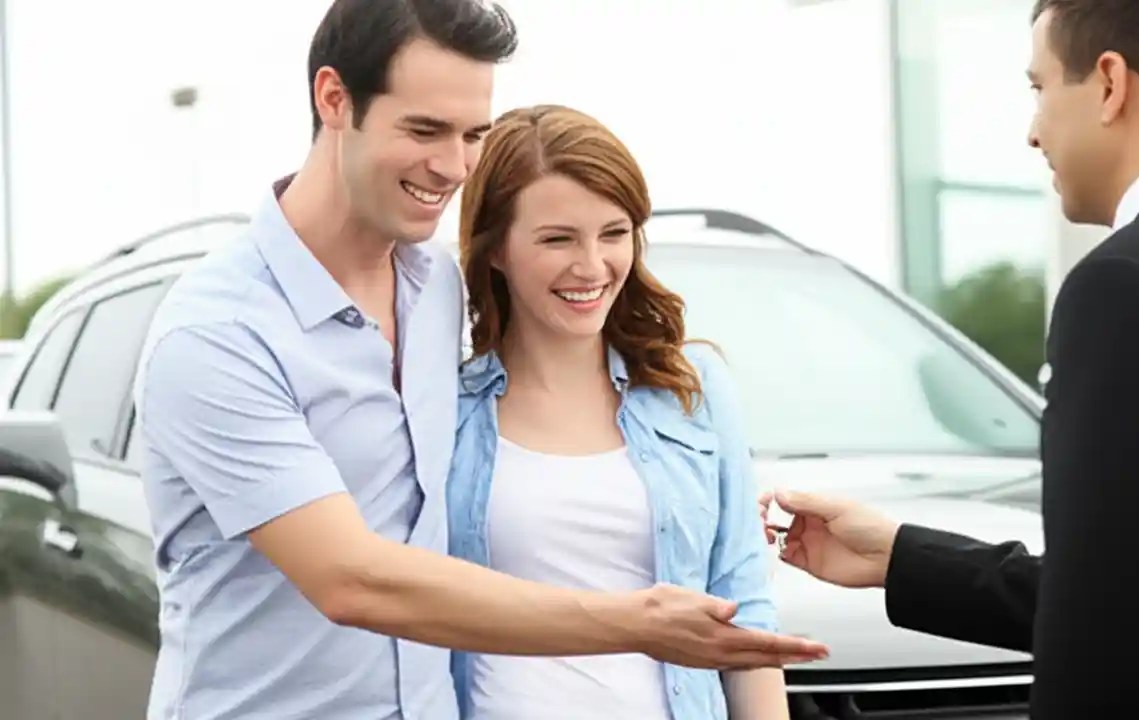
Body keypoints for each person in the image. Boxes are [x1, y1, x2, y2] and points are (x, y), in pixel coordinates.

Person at [133, 2, 825, 719]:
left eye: (472, 135)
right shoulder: (218, 335)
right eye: (424, 130)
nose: (453, 166)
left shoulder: (435, 290)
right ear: (334, 99)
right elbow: (352, 581)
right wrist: (636, 623)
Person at [764, 0, 1139, 717]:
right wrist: (902, 557)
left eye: (1039, 88)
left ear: (1109, 83)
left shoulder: (1135, 285)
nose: (1033, 131)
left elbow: (1118, 648)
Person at [446, 104, 789, 720]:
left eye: (613, 233)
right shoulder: (444, 411)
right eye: (557, 239)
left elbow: (745, 614)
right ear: (495, 249)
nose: (591, 266)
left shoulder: (694, 390)